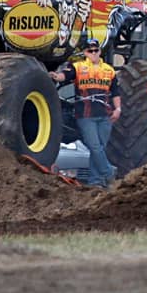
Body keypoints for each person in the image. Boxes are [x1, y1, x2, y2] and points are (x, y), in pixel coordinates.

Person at [51, 36, 120, 187]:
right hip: (85, 115)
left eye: (96, 50)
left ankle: (95, 181)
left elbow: (115, 92)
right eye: (90, 51)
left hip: (106, 114)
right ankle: (108, 173)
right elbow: (66, 75)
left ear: (100, 51)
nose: (94, 53)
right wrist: (57, 76)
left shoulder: (109, 70)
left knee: (99, 148)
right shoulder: (78, 67)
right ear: (85, 52)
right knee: (94, 146)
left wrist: (118, 109)